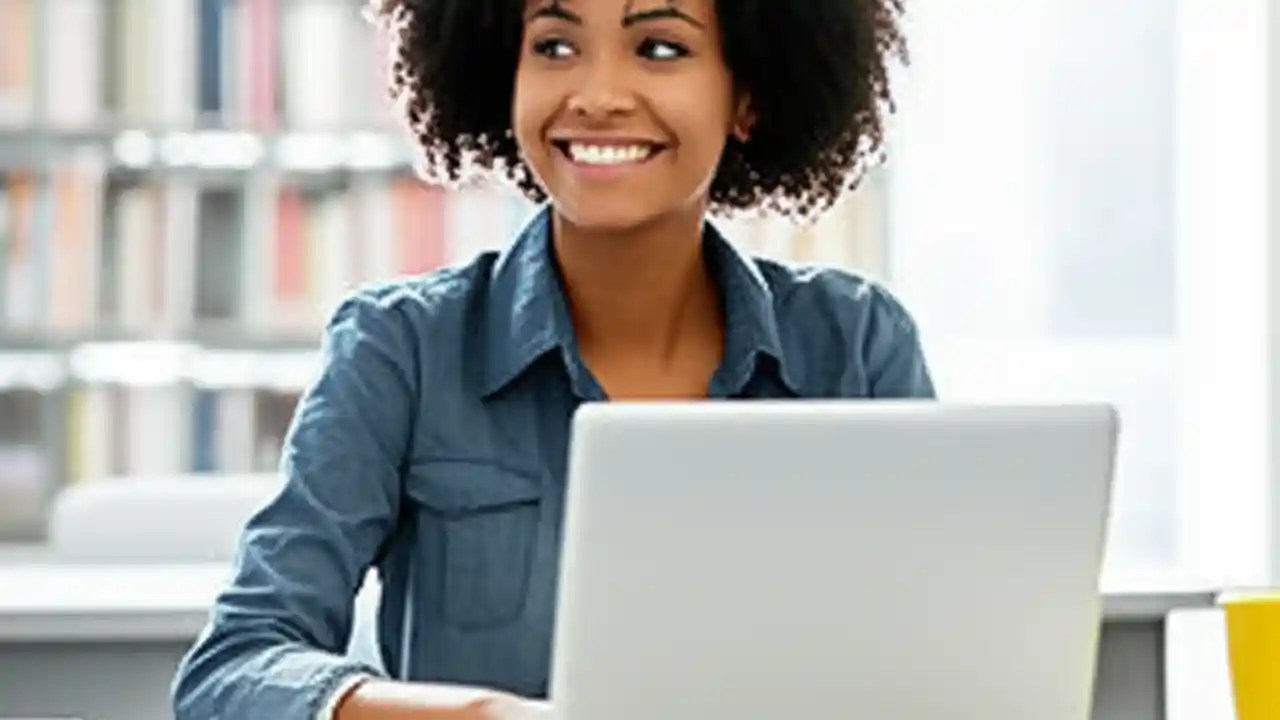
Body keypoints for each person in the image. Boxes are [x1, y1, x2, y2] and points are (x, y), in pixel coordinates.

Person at [171, 0, 933, 717]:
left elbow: (936, 649)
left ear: (748, 98)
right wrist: (478, 716)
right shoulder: (401, 349)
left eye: (659, 48)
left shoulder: (856, 346)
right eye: (555, 46)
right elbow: (234, 669)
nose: (597, 95)